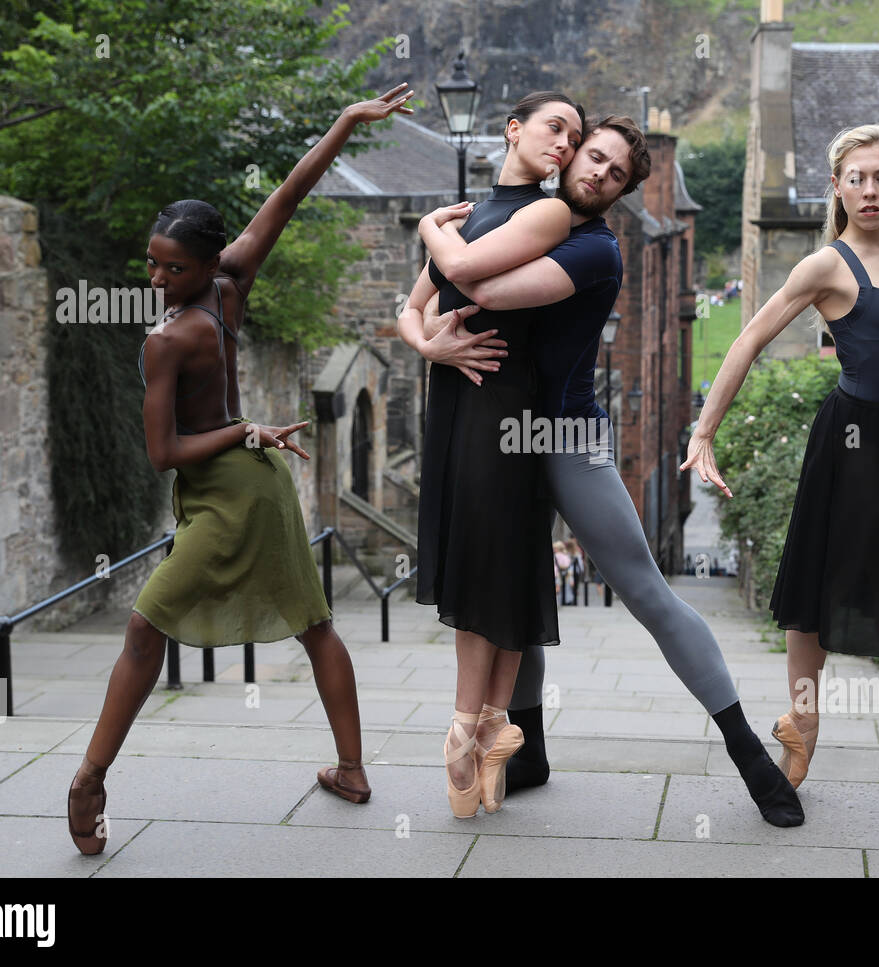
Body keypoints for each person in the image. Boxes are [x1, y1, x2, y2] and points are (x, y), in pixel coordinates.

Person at [416, 115, 803, 827]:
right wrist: (431, 333)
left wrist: (429, 228)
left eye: (616, 171)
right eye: (593, 155)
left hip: (566, 435)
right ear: (571, 153)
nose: (597, 171)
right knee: (514, 588)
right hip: (504, 431)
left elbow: (484, 292)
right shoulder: (532, 213)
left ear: (623, 190)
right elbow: (428, 302)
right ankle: (525, 749)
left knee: (646, 589)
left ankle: (749, 754)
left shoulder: (596, 247)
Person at [66, 84, 416, 856]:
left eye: (172, 268)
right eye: (151, 265)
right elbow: (287, 193)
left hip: (236, 492)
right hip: (252, 477)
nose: (156, 281)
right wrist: (346, 122)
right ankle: (351, 770)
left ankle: (90, 777)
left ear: (206, 260)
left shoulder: (175, 333)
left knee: (143, 624)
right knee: (315, 623)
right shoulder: (226, 286)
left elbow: (163, 454)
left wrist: (234, 431)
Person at [680, 123, 879, 832]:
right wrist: (704, 429)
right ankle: (852, 733)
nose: (869, 190)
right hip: (851, 441)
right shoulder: (825, 266)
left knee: (868, 588)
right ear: (836, 186)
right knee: (823, 591)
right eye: (856, 178)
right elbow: (748, 336)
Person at [396, 91, 586, 818]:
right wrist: (428, 343)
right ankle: (470, 728)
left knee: (505, 559)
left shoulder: (549, 212)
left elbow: (466, 272)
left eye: (574, 136)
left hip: (513, 408)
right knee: (489, 560)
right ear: (514, 130)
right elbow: (411, 310)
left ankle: (481, 730)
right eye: (553, 128)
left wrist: (424, 228)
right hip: (471, 403)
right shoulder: (472, 215)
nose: (564, 144)